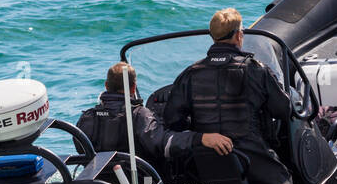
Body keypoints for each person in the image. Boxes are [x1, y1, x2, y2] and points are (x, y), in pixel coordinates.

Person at [163, 8, 308, 184]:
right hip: (253, 156)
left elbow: (172, 120)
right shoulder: (256, 70)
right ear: (239, 36)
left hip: (206, 164)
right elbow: (283, 110)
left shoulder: (189, 75)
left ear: (213, 37)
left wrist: (200, 135)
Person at [77, 62, 232, 173]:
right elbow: (163, 143)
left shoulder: (87, 118)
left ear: (106, 85)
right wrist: (200, 138)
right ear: (133, 88)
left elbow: (82, 149)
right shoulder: (139, 114)